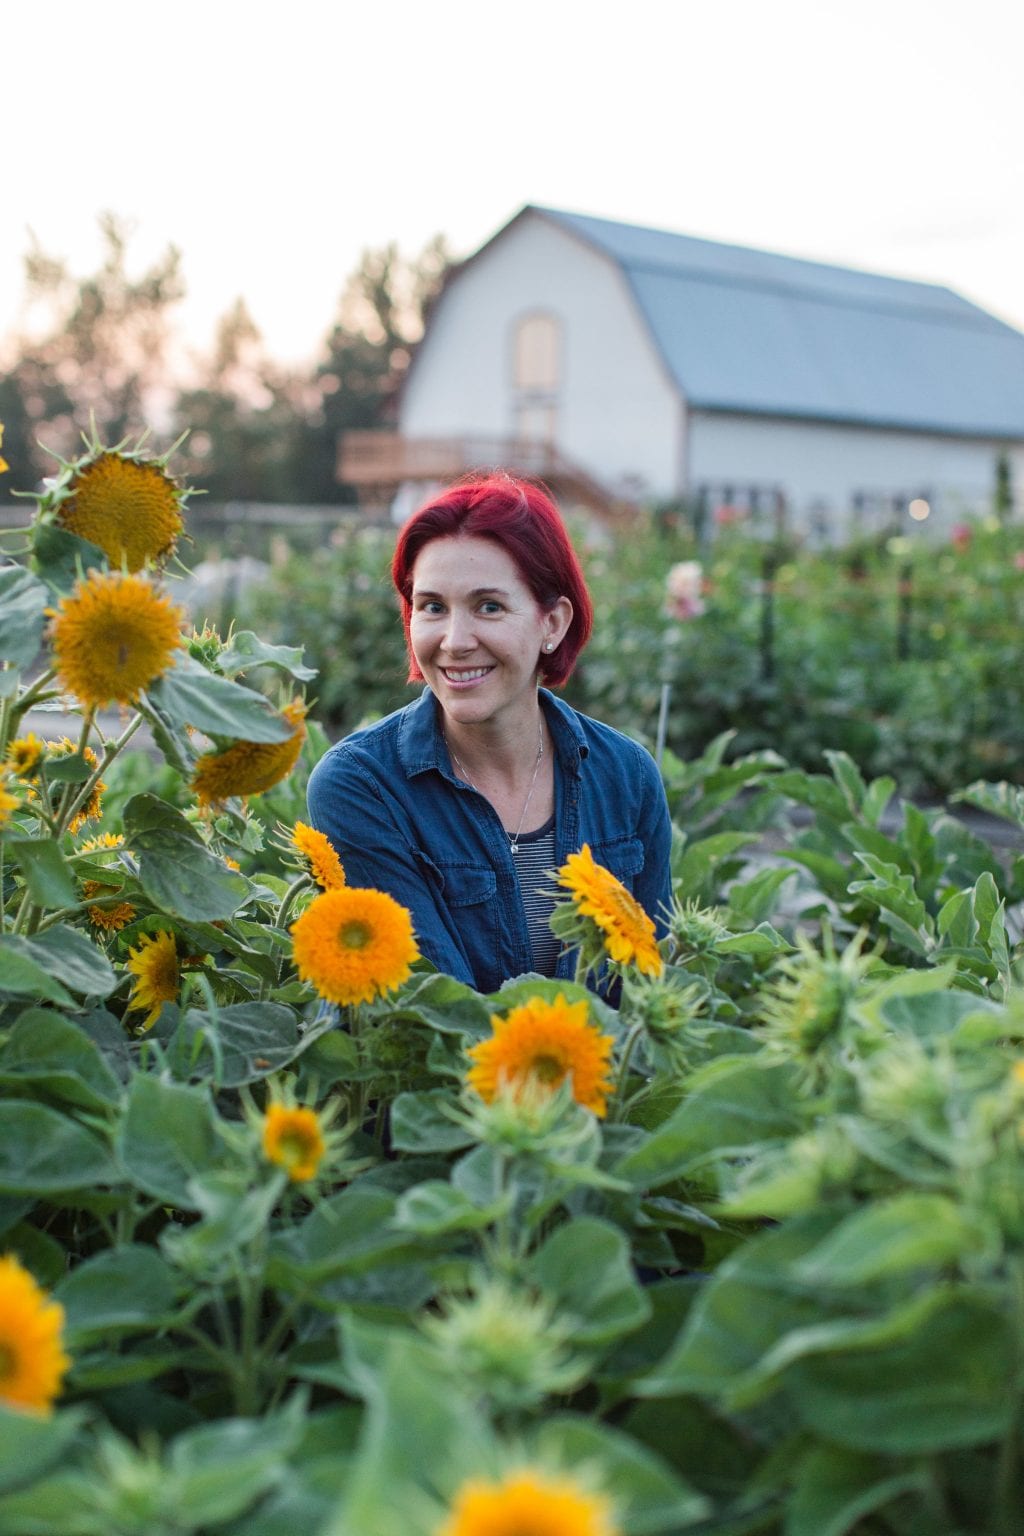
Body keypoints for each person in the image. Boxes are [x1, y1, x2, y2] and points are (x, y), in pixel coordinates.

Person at [306, 473, 672, 995]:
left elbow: (650, 991)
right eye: (432, 607)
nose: (455, 642)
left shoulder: (627, 777)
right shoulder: (363, 787)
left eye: (489, 607)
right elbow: (435, 1010)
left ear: (553, 623)